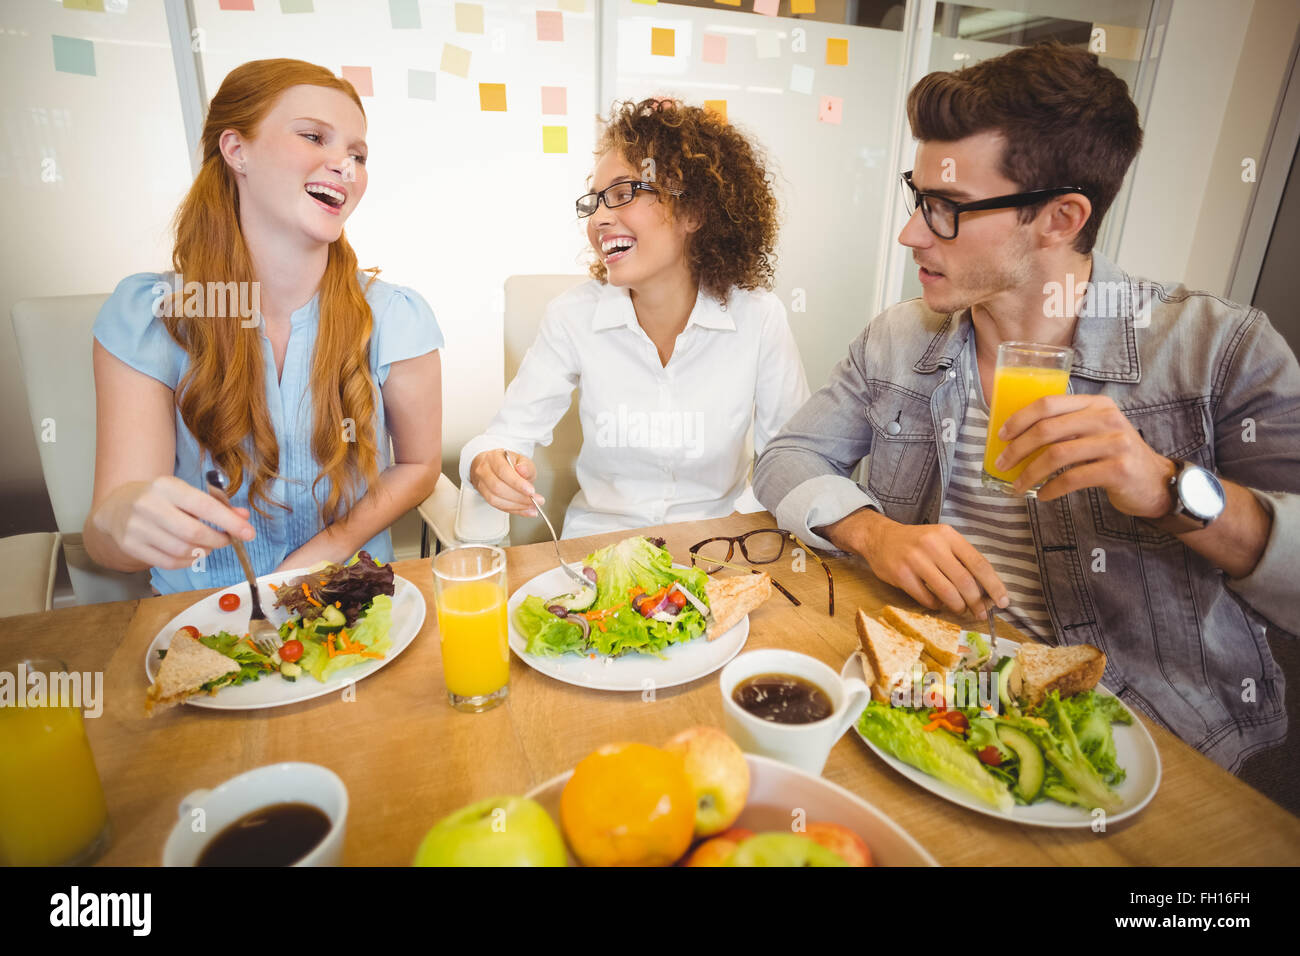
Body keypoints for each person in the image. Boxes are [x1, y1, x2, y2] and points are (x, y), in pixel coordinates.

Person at [754, 43, 1300, 772]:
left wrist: (1169, 487)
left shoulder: (1219, 350)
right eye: (919, 198)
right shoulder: (898, 338)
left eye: (948, 209)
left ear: (1061, 217)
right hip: (935, 701)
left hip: (1150, 743)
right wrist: (875, 533)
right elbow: (787, 458)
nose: (912, 232)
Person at [85, 59, 443, 594]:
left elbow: (419, 463)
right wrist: (119, 524)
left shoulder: (395, 317)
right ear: (237, 150)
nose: (345, 167)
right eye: (313, 136)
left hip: (348, 602)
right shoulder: (152, 315)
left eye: (357, 154)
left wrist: (316, 555)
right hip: (207, 618)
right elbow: (108, 541)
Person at [461, 98, 809, 538]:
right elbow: (501, 438)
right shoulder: (572, 316)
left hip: (716, 553)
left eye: (624, 194)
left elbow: (792, 460)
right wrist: (488, 464)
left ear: (693, 210)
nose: (600, 220)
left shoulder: (760, 319)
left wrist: (742, 532)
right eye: (595, 201)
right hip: (599, 554)